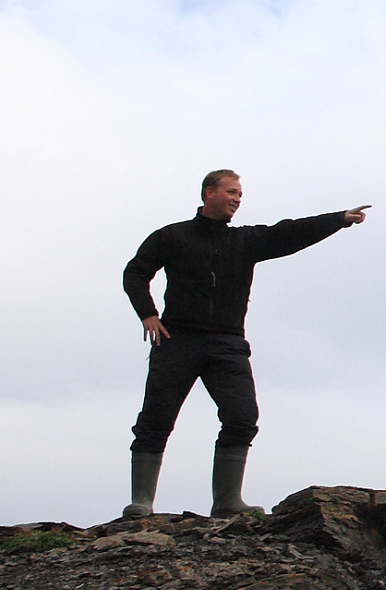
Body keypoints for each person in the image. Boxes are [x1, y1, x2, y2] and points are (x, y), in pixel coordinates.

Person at [120, 170, 369, 519]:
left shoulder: (245, 241)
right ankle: (141, 502)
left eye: (240, 194)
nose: (238, 199)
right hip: (177, 340)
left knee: (242, 417)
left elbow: (289, 233)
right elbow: (135, 272)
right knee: (155, 420)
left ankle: (227, 501)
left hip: (227, 343)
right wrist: (148, 313)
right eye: (232, 192)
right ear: (210, 193)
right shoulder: (172, 237)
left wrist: (339, 220)